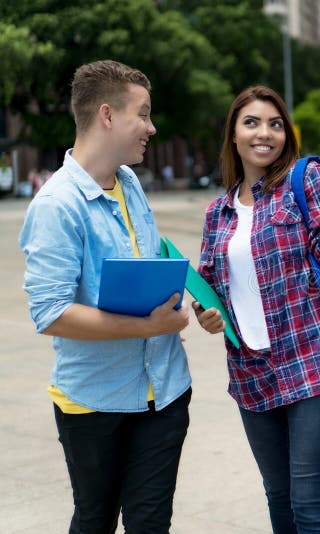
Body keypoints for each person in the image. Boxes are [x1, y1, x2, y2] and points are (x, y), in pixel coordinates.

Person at [193, 85, 320, 533]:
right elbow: (210, 292)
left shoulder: (305, 179)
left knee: (310, 500)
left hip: (313, 361)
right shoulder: (217, 212)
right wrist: (206, 316)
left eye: (275, 124)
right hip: (250, 371)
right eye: (252, 122)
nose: (265, 133)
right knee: (279, 498)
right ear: (233, 135)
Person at [18, 60, 192, 532]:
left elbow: (148, 263)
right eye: (144, 114)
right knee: (95, 521)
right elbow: (50, 313)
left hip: (165, 391)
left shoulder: (130, 182)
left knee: (151, 524)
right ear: (108, 116)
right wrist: (150, 326)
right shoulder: (57, 205)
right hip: (95, 402)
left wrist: (182, 299)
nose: (152, 128)